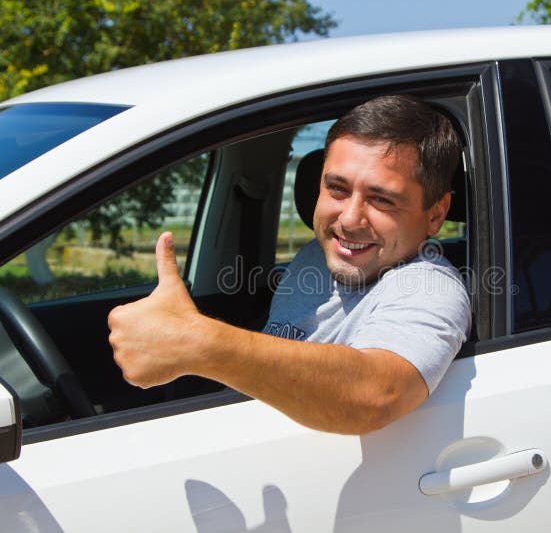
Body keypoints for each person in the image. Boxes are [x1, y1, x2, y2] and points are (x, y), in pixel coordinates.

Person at [108, 95, 471, 434]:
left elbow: (378, 394)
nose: (348, 219)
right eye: (337, 189)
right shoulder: (317, 255)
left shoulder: (430, 285)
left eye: (381, 200)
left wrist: (198, 342)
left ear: (435, 214)